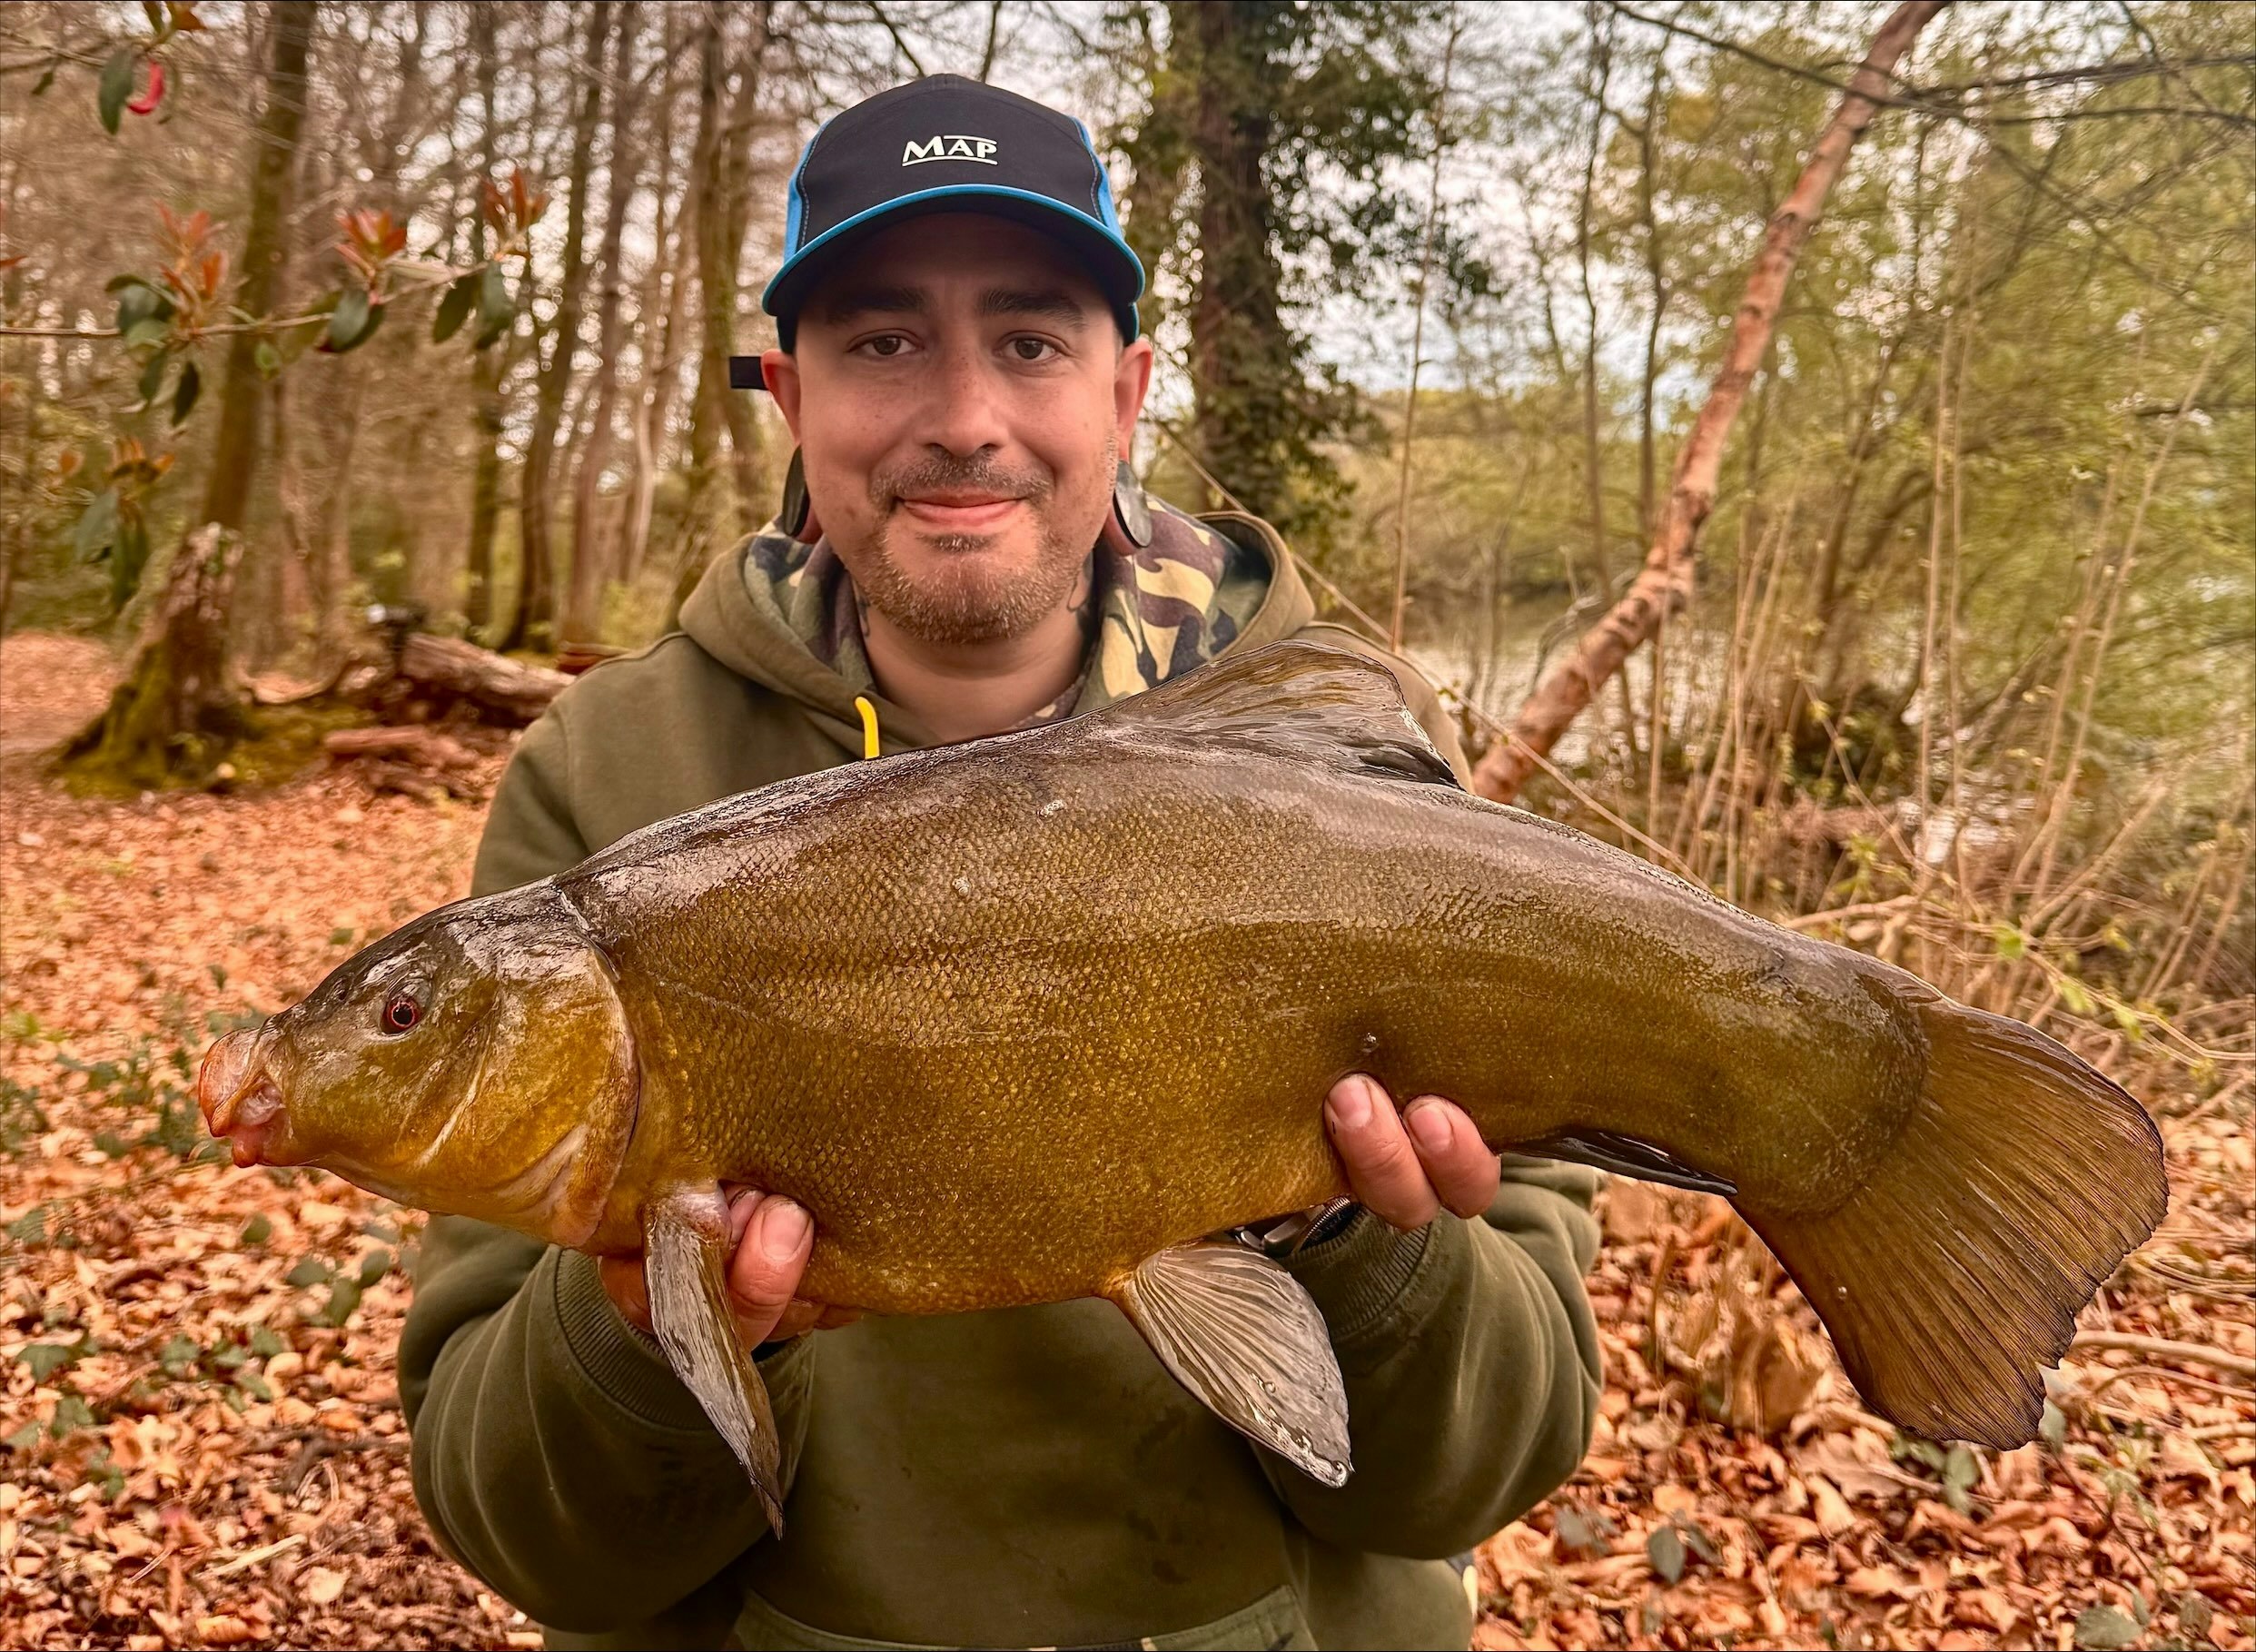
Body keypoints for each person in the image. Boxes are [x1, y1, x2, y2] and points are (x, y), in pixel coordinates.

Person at [400, 74, 1600, 1652]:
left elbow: (1478, 1474)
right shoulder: (604, 783)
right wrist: (642, 1324)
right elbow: (527, 1537)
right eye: (883, 341)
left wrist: (1367, 1250)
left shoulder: (1352, 767)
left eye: (1031, 340)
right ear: (789, 394)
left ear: (1126, 391)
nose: (963, 413)